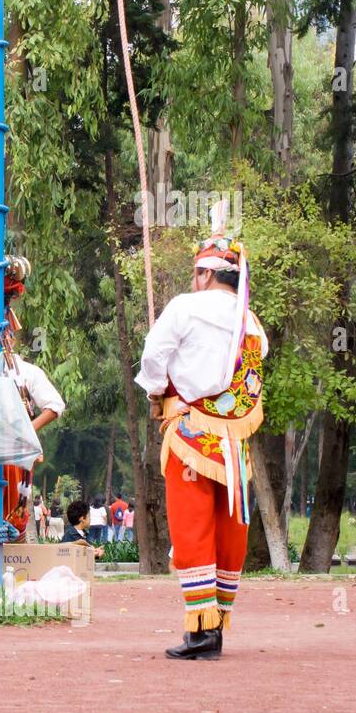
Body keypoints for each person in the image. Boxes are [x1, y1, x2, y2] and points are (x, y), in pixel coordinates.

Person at [135, 208, 267, 660]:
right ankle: (217, 627)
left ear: (209, 274)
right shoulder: (251, 324)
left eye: (197, 273)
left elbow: (154, 355)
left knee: (192, 529)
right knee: (229, 530)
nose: (194, 281)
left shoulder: (185, 307)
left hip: (190, 435)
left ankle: (201, 632)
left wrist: (156, 393)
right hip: (234, 445)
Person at [0, 257, 66, 542]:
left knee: (13, 513)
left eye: (6, 334)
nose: (3, 339)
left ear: (11, 337)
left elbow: (55, 405)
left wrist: (26, 431)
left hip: (14, 457)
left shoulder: (25, 372)